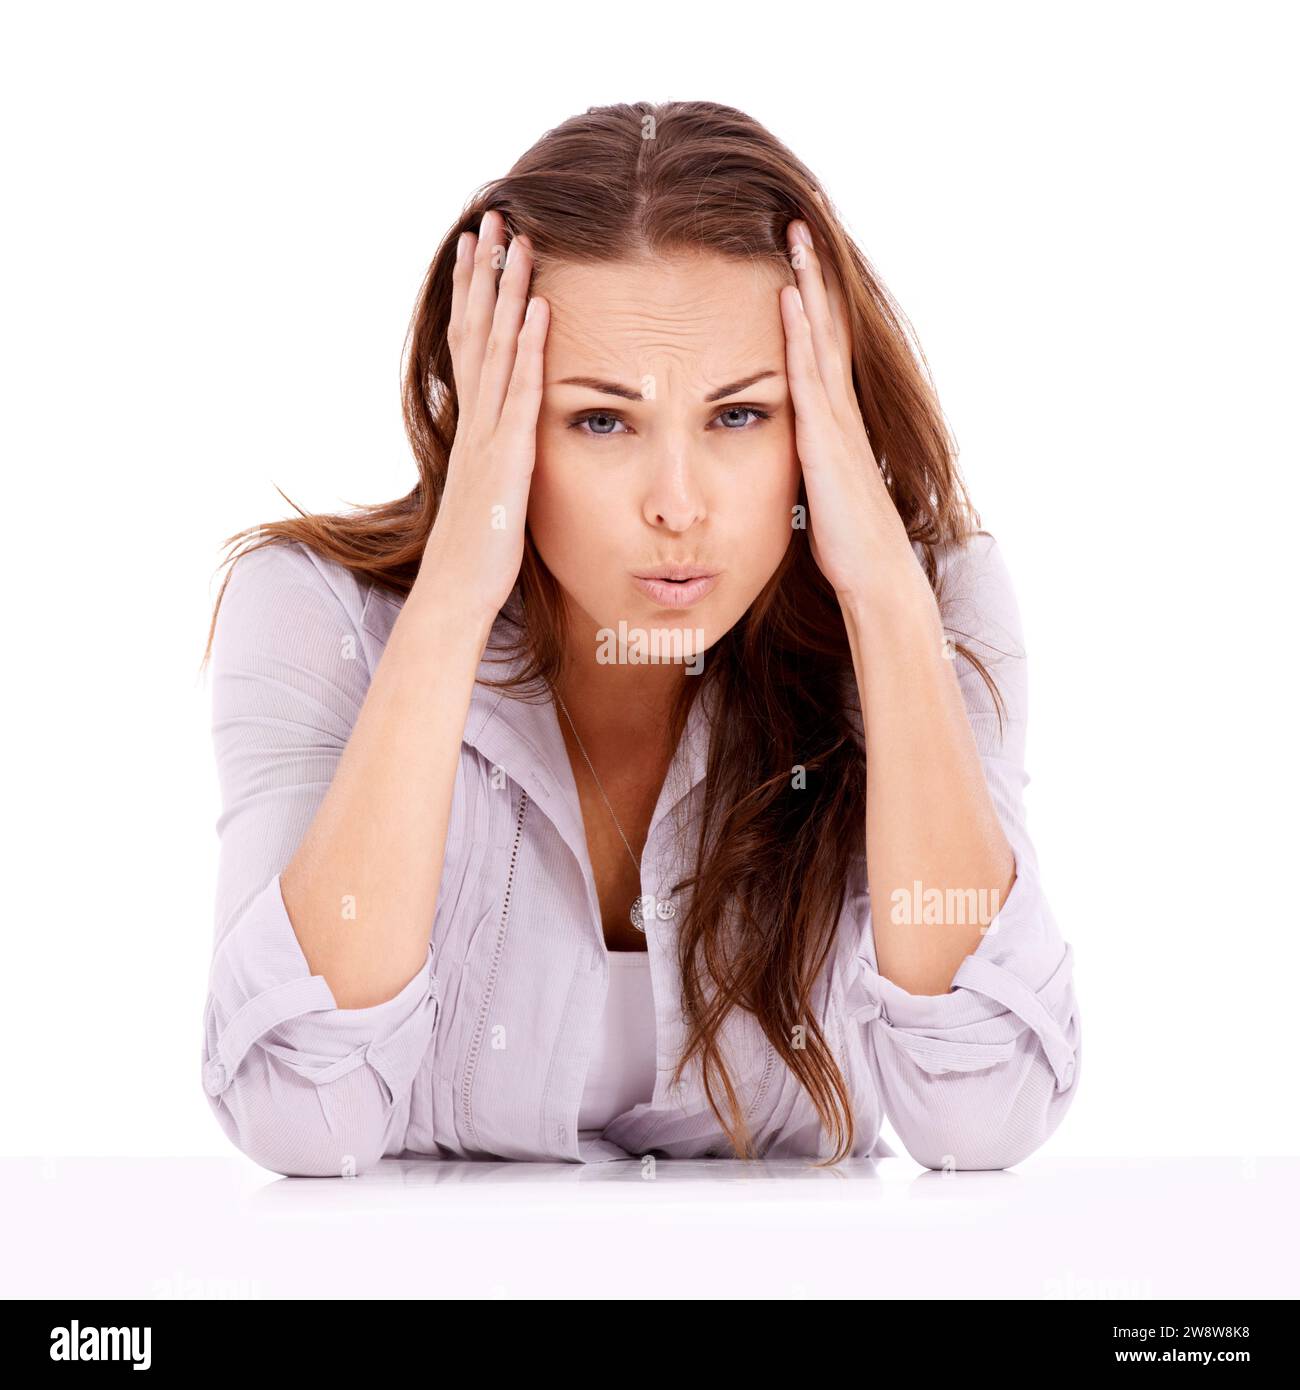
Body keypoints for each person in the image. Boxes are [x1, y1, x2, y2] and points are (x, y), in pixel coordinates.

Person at [198, 100, 1081, 1178]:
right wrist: (455, 589)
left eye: (741, 415)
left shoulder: (923, 611)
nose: (677, 503)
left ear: (825, 420)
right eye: (601, 421)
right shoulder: (317, 616)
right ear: (497, 413)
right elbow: (300, 1112)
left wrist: (887, 608)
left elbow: (982, 1112)